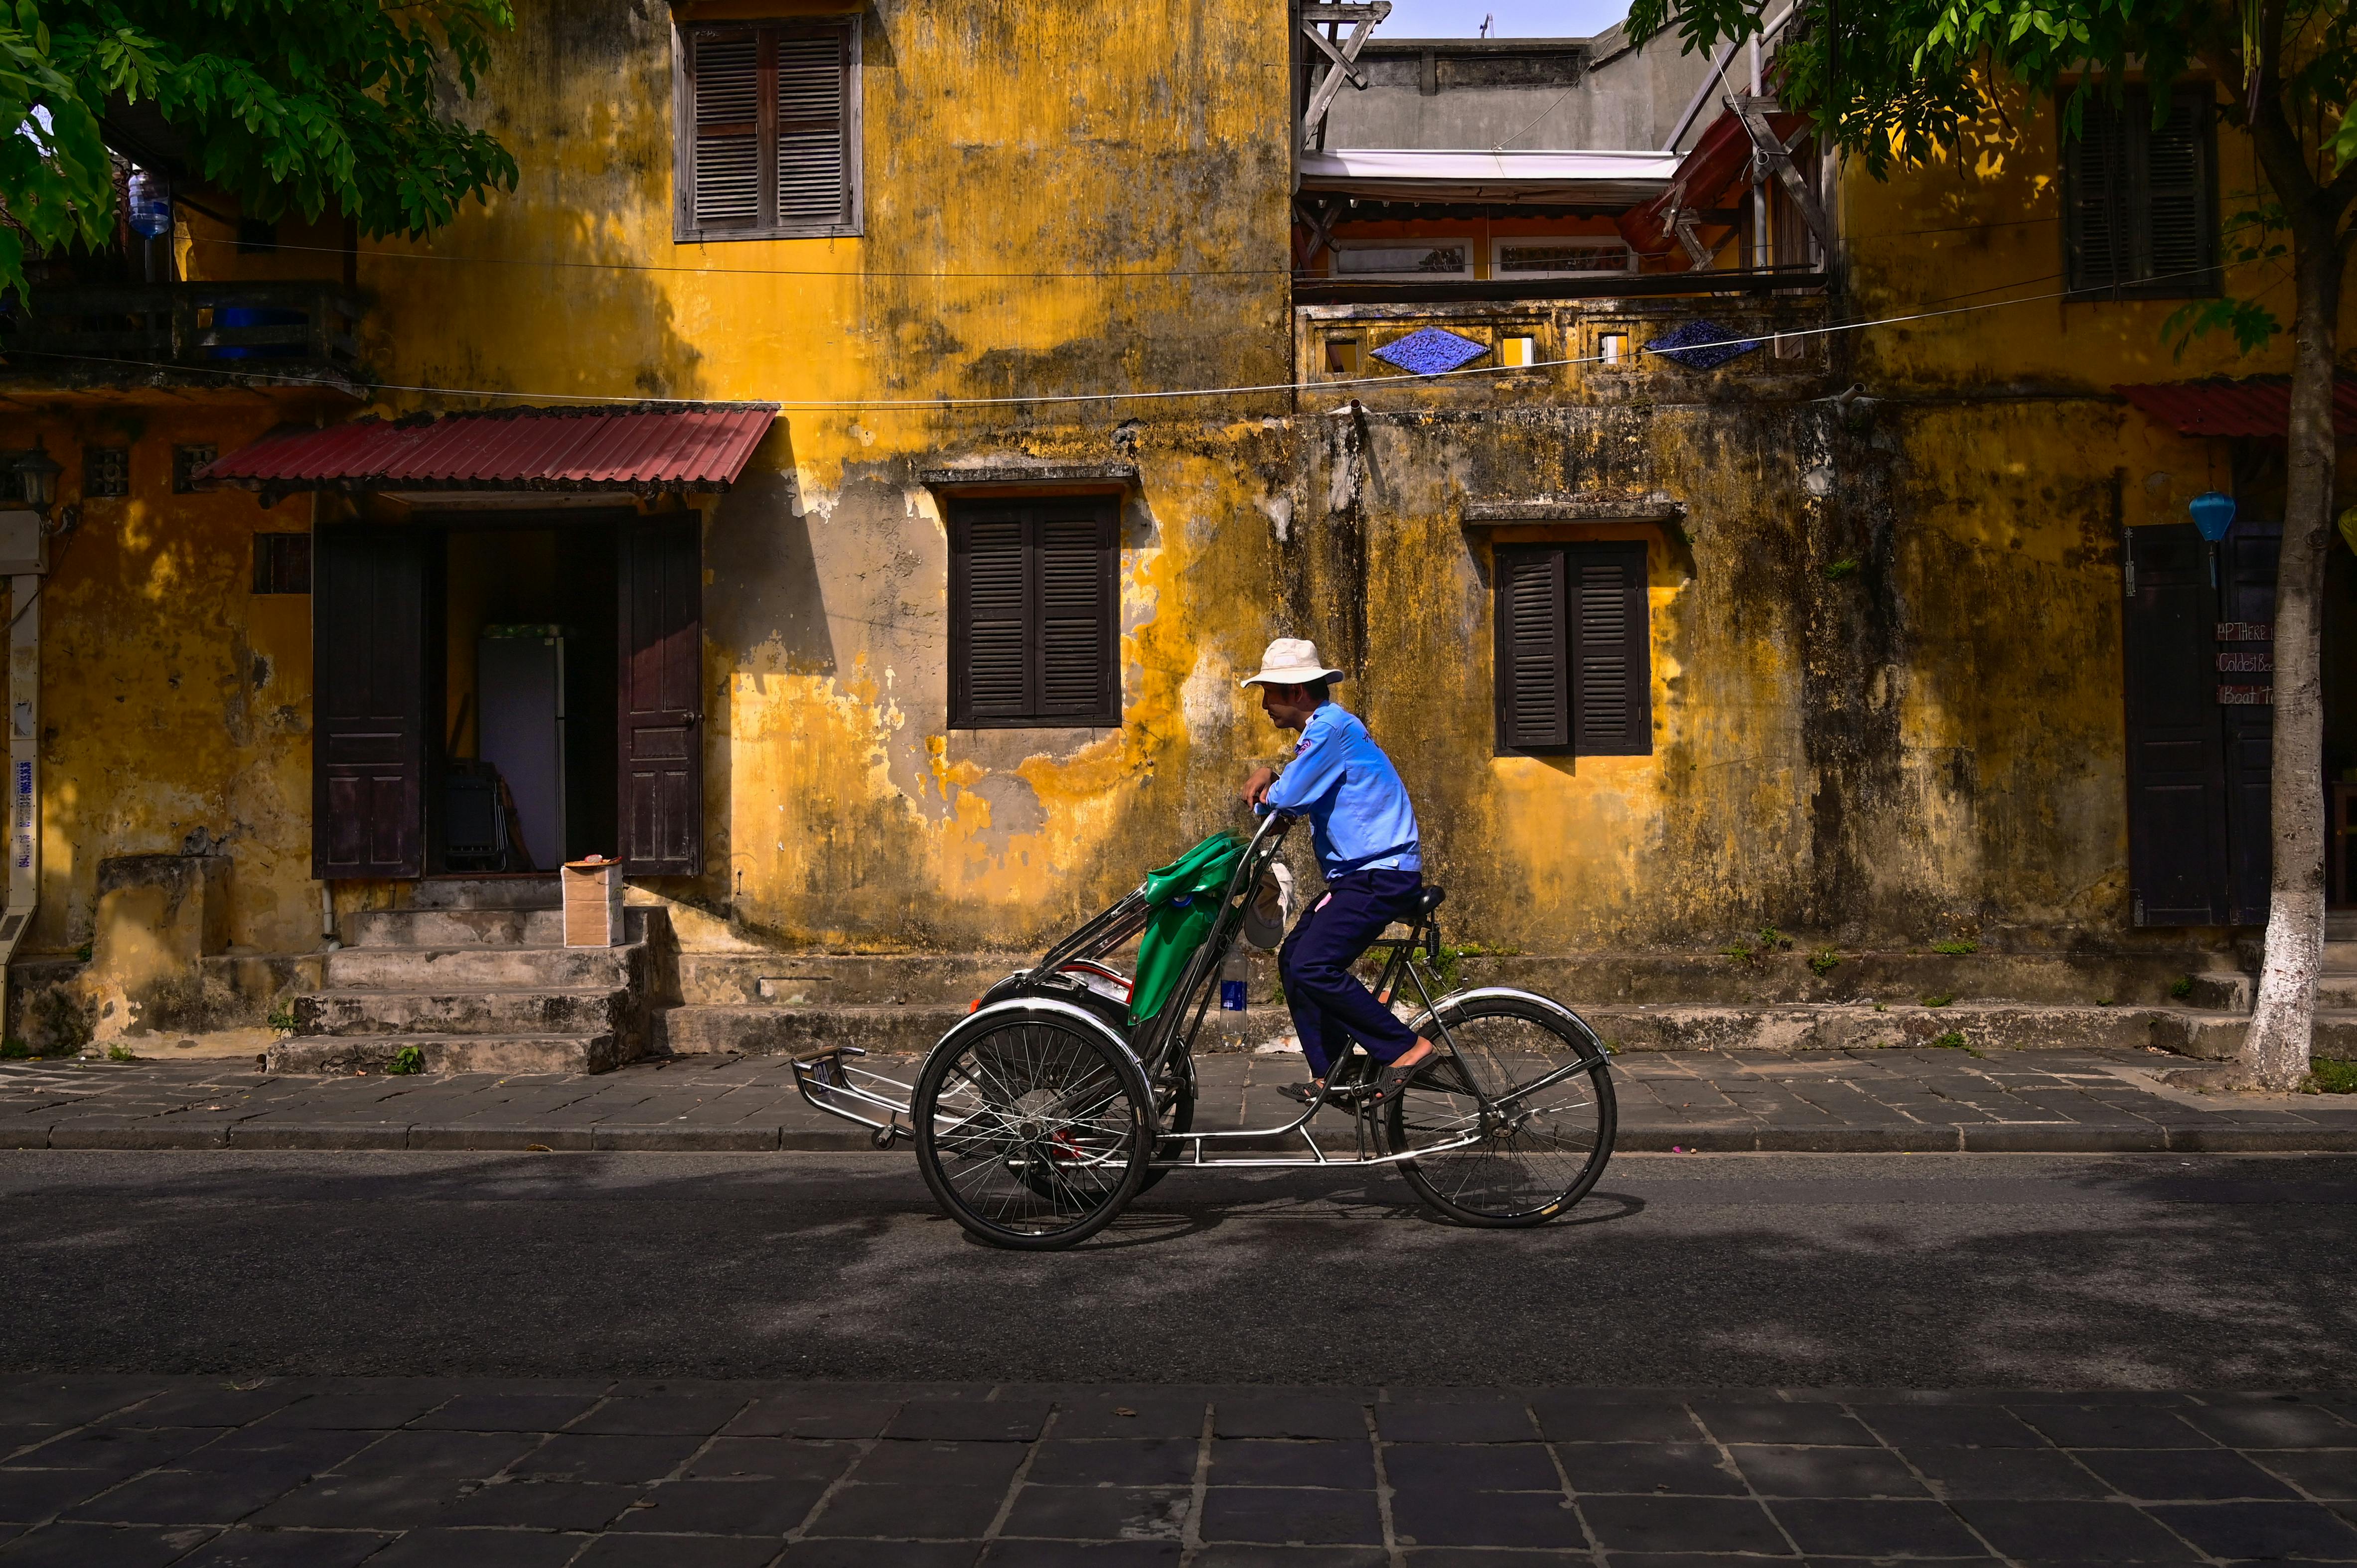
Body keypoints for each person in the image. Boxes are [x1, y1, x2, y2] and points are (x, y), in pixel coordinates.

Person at [1238, 637, 1434, 1108]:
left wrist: (1267, 783)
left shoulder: (1328, 728)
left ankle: (1407, 1047)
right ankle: (1333, 1071)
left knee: (1312, 964)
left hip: (1378, 875)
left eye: (1271, 693)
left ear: (1299, 692)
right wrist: (1276, 780)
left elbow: (1289, 797)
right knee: (1295, 959)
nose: (1265, 704)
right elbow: (1302, 790)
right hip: (1360, 877)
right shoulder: (1327, 730)